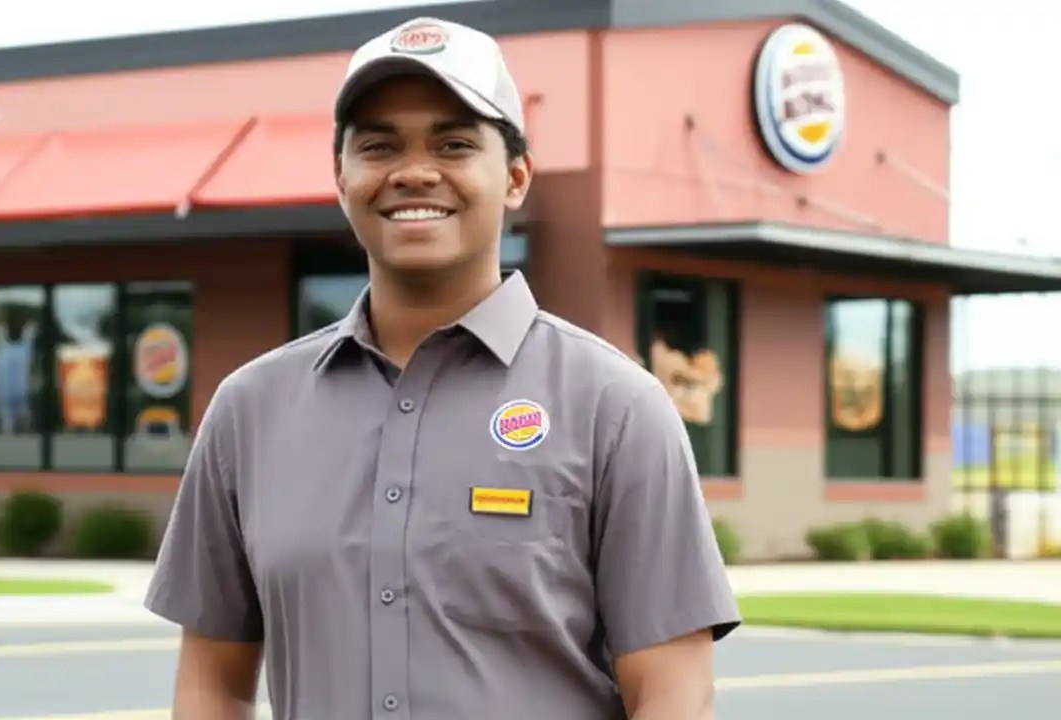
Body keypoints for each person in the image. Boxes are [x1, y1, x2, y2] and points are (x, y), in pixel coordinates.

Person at [145, 15, 741, 720]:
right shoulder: (250, 410)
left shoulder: (617, 408)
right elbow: (212, 682)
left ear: (516, 176)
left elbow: (672, 695)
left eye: (455, 144)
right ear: (341, 178)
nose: (414, 171)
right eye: (378, 146)